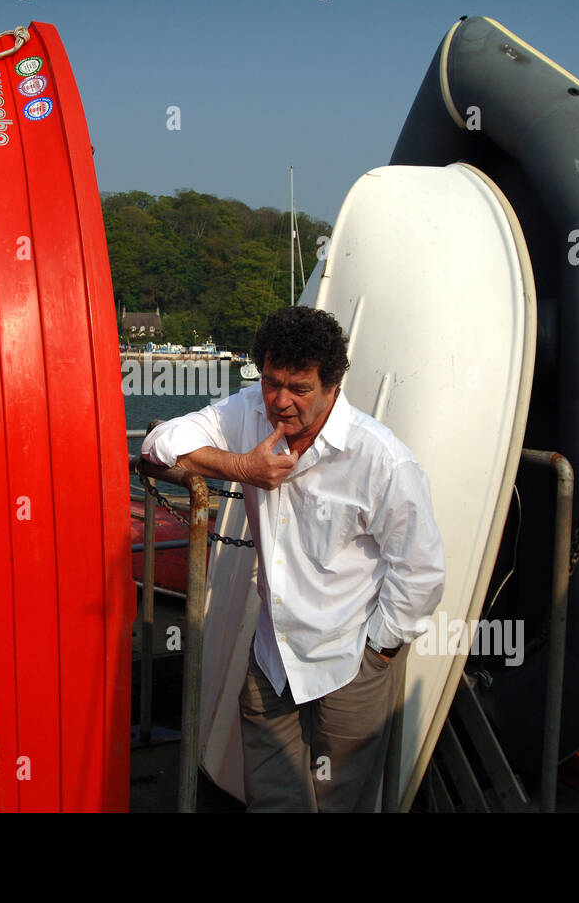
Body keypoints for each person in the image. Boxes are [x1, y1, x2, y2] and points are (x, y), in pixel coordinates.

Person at [141, 305, 445, 812]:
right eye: (271, 381)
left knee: (339, 801)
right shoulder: (249, 413)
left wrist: (379, 651)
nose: (280, 401)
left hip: (350, 655)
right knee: (272, 797)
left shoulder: (380, 458)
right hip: (271, 653)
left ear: (332, 388)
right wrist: (242, 466)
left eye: (299, 388)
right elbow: (158, 446)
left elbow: (420, 569)